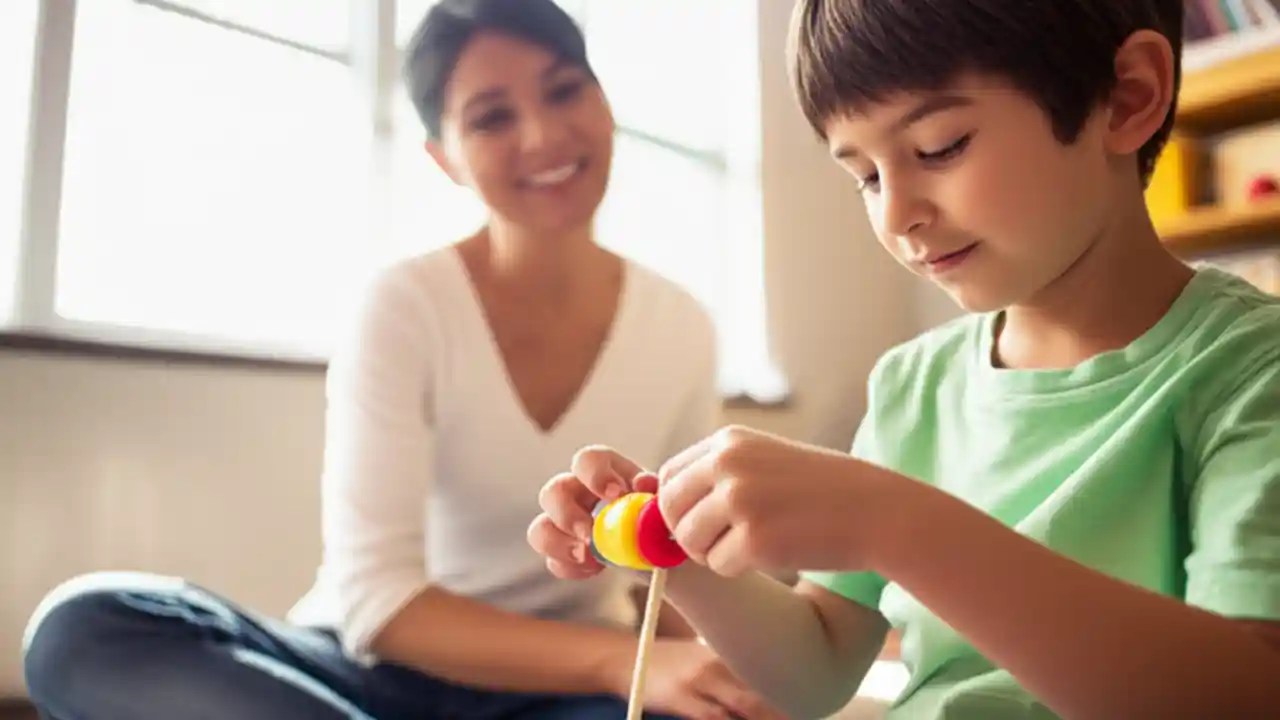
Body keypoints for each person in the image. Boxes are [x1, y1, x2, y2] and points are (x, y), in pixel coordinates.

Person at [22, 1, 783, 718]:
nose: (543, 136)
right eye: (492, 117)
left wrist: (725, 674)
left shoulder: (682, 325)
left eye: (564, 92)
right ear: (444, 158)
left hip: (556, 696)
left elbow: (673, 570)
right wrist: (619, 665)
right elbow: (379, 603)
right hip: (359, 677)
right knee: (85, 628)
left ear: (606, 102)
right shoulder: (404, 305)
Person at [529, 0, 1280, 718]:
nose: (895, 214)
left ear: (1124, 98)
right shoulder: (913, 387)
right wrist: (673, 548)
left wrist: (893, 523)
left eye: (939, 147)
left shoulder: (1251, 370)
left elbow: (1247, 695)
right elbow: (817, 671)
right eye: (864, 175)